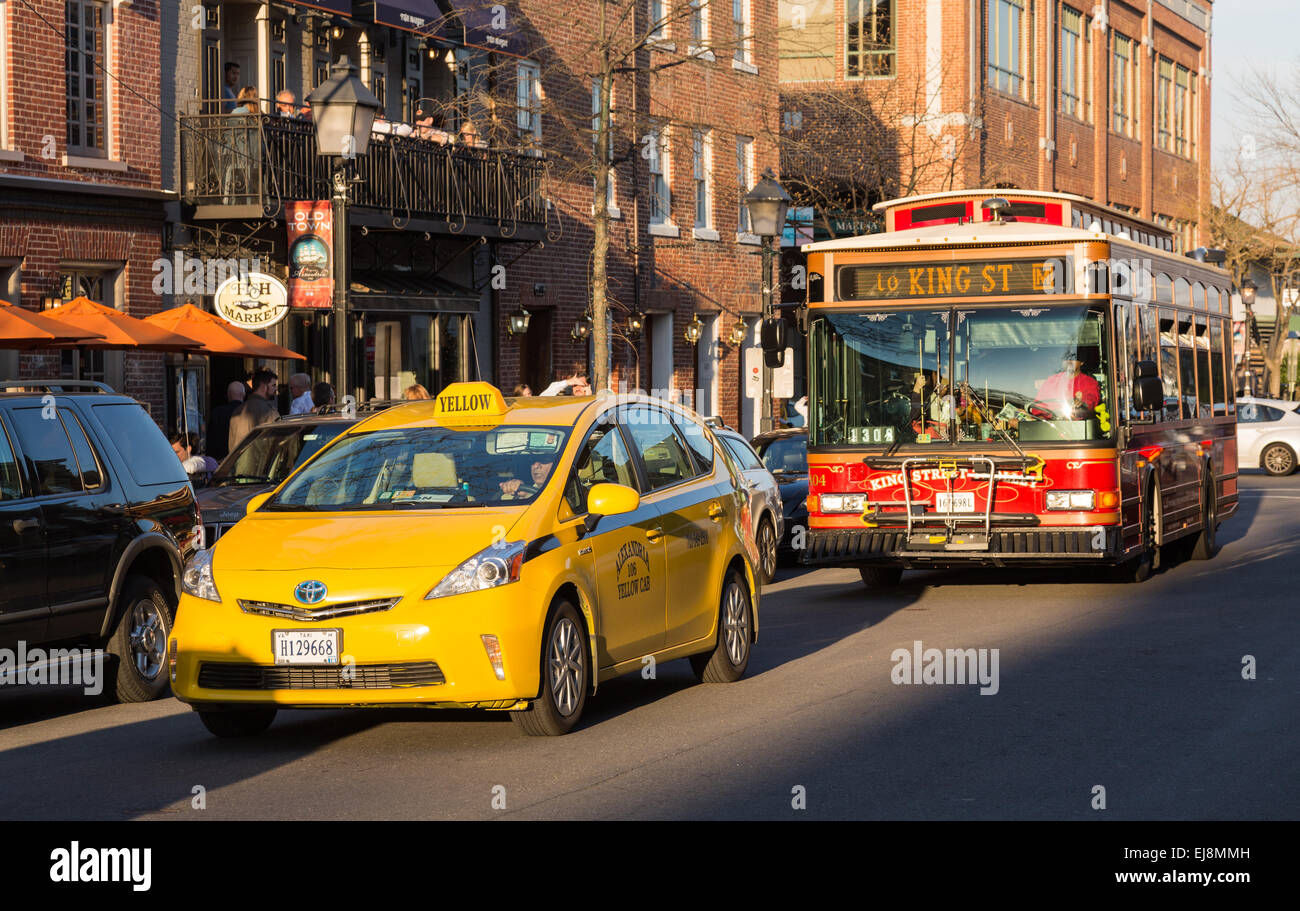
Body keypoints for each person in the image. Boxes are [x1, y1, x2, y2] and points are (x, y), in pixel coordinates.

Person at [228, 368, 280, 452]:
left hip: (238, 462)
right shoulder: (269, 411)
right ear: (263, 386)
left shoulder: (238, 410)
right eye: (273, 385)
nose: (276, 389)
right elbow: (275, 442)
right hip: (259, 463)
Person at [1036, 353, 1101, 418]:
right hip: (1051, 424)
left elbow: (1092, 401)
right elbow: (1038, 404)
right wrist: (1040, 416)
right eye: (1066, 358)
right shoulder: (1051, 381)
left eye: (1073, 358)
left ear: (1081, 362)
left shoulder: (1090, 382)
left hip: (1078, 425)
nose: (1069, 361)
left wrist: (1083, 403)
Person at [206, 380, 246, 461]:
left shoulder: (217, 412)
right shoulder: (248, 412)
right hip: (242, 458)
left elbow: (211, 439)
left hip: (220, 459)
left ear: (228, 394)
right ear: (243, 394)